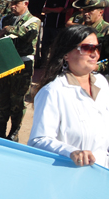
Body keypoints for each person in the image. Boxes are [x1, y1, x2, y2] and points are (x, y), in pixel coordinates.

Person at [28, 25, 109, 167]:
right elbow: (37, 141)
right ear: (66, 54)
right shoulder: (53, 91)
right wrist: (71, 152)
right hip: (68, 173)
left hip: (102, 173)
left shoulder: (102, 83)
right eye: (87, 48)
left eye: (97, 48)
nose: (94, 54)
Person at [0, 0, 41, 141]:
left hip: (22, 64)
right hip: (5, 62)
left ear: (25, 3)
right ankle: (0, 129)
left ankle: (14, 132)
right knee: (2, 97)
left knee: (17, 100)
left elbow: (28, 35)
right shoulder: (6, 19)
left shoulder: (34, 20)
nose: (12, 6)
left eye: (16, 3)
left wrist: (9, 29)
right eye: (11, 3)